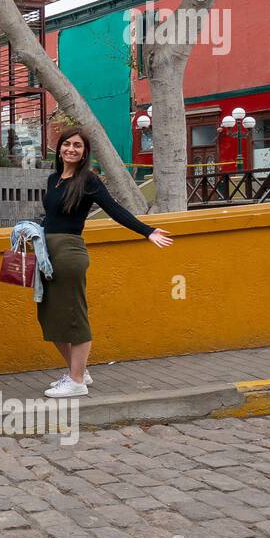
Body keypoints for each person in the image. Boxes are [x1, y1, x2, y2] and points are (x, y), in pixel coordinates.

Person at [40, 128, 173, 398]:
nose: (71, 149)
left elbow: (114, 209)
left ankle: (76, 381)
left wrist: (147, 231)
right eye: (67, 144)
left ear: (85, 152)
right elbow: (51, 217)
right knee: (49, 316)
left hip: (69, 253)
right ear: (60, 148)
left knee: (74, 315)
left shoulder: (88, 180)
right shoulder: (53, 178)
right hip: (47, 252)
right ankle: (78, 371)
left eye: (78, 145)